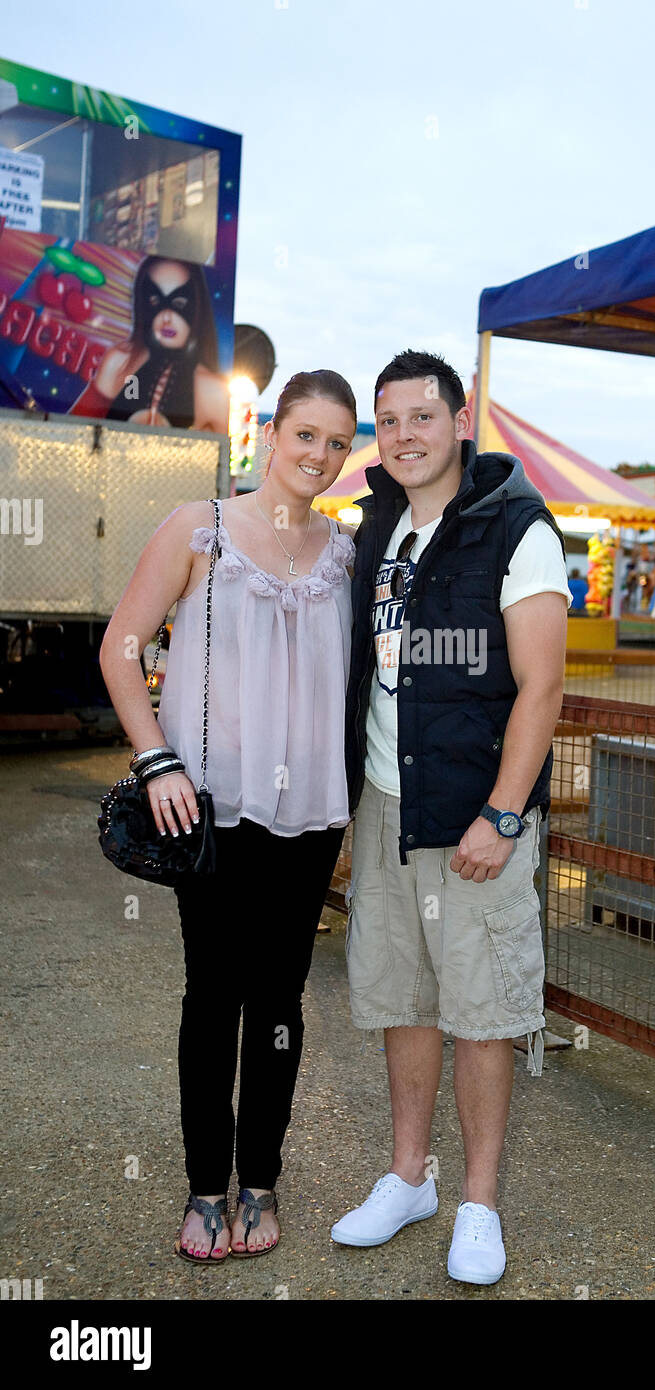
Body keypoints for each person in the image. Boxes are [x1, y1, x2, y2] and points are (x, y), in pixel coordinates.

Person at [99, 369, 357, 1262]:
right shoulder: (198, 528)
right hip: (210, 804)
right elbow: (121, 647)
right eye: (305, 436)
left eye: (336, 442)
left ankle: (262, 1183)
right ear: (270, 432)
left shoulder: (346, 554)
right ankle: (206, 1189)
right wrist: (155, 758)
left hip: (312, 812)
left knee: (281, 996)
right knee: (215, 994)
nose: (319, 456)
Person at [331, 349, 569, 1285]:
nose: (403, 436)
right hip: (387, 805)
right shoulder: (376, 525)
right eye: (387, 422)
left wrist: (503, 817)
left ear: (459, 422)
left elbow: (543, 689)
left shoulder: (516, 528)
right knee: (404, 1001)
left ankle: (478, 1200)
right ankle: (408, 1178)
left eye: (421, 418)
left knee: (482, 1010)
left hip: (476, 817)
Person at [71, 256, 228, 430]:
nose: (167, 317)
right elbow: (72, 430)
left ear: (197, 308)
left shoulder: (212, 389)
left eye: (179, 303)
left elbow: (224, 453)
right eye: (155, 301)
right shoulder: (119, 362)